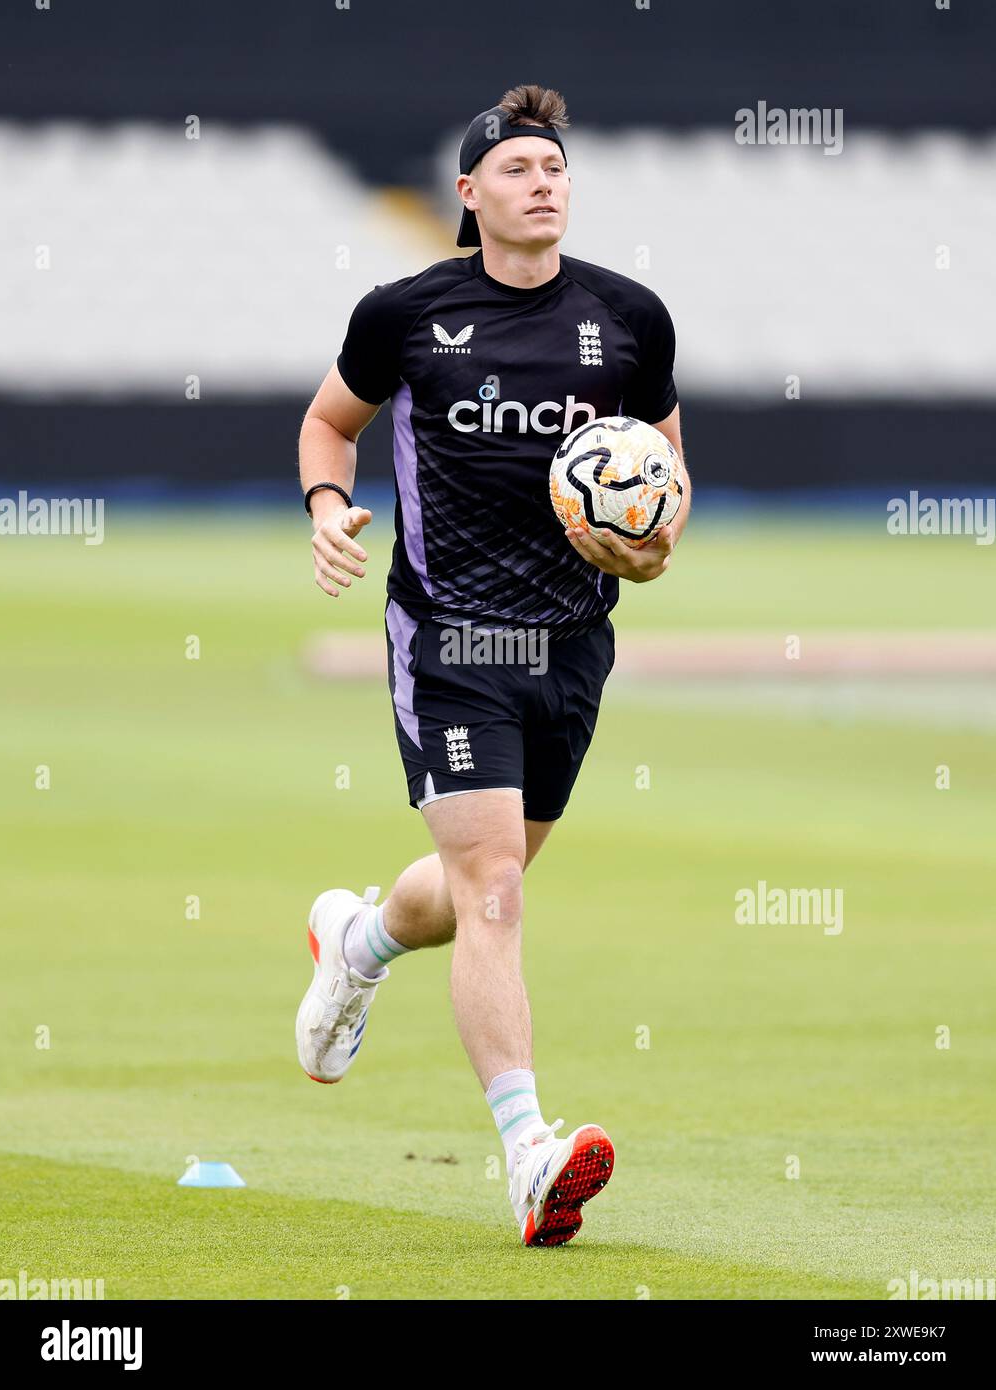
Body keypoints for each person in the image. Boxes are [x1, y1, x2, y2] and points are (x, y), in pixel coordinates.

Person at [295, 83, 691, 1247]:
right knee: (496, 893)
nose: (544, 183)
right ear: (469, 195)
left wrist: (654, 542)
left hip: (573, 646)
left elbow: (664, 476)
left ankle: (356, 942)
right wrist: (329, 503)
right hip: (452, 638)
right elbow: (330, 422)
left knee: (480, 888)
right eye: (517, 168)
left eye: (555, 167)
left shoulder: (630, 319)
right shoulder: (407, 313)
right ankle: (528, 1152)